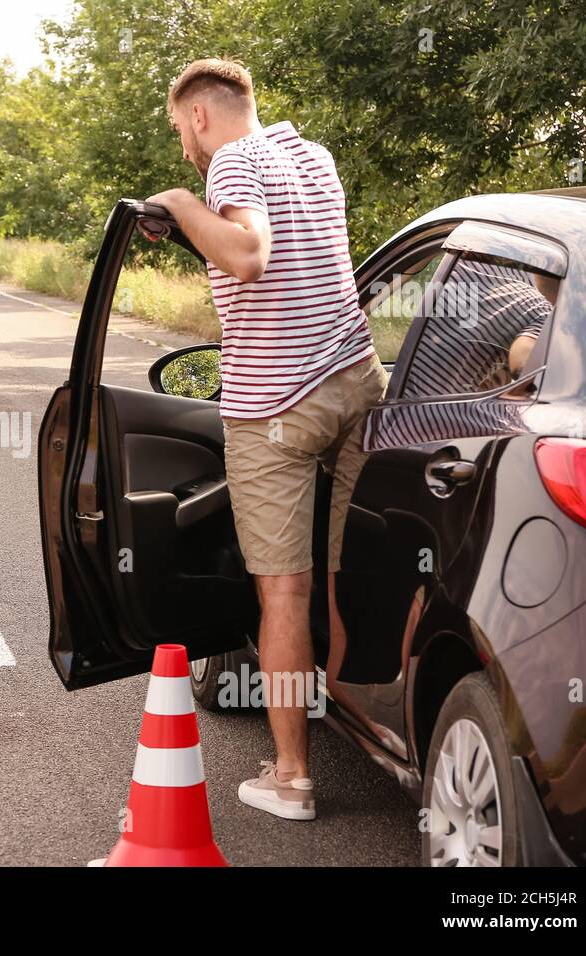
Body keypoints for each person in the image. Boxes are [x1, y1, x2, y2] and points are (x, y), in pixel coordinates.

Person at [145, 57, 386, 821]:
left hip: (279, 406)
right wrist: (192, 228)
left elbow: (251, 255)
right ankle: (375, 731)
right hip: (359, 383)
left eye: (182, 130)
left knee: (283, 591)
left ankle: (293, 779)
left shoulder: (232, 163)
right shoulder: (312, 157)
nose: (184, 144)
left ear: (201, 116)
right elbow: (293, 263)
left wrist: (183, 201)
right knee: (353, 571)